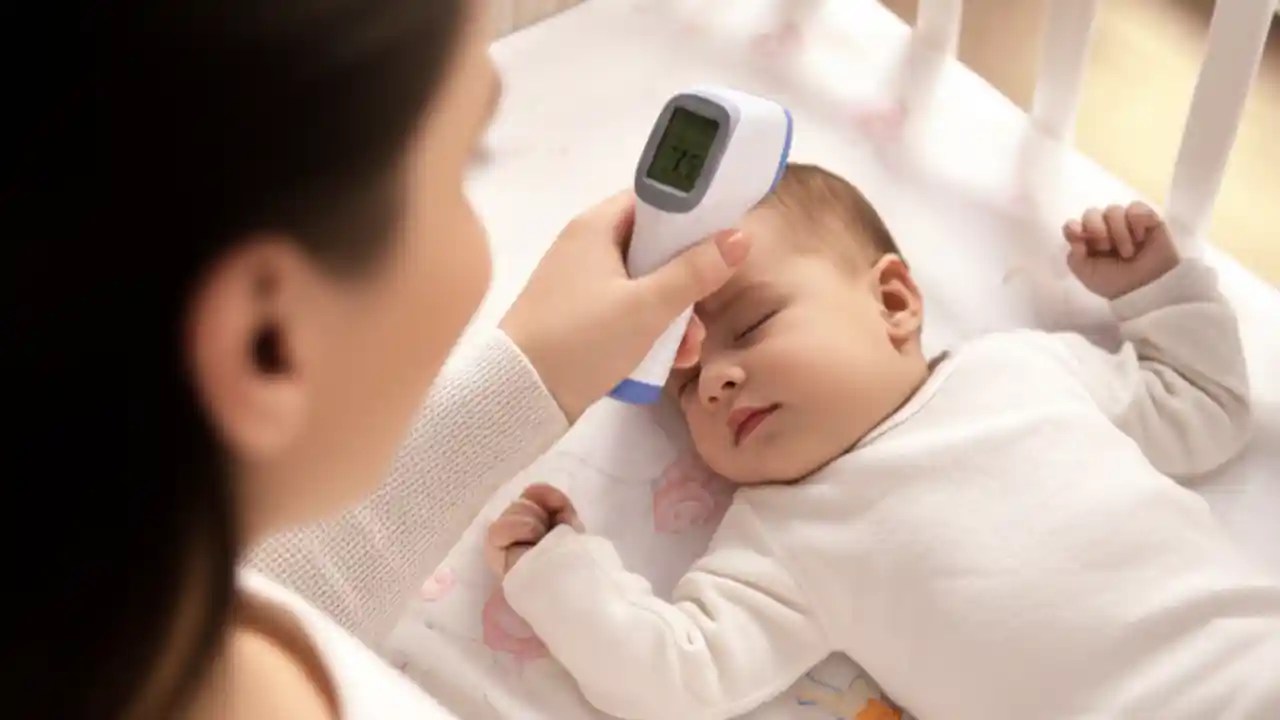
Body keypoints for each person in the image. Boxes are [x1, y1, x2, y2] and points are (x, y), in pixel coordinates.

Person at [6, 1, 750, 718]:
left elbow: (286, 587)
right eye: (466, 165)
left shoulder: (126, 615)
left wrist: (532, 376)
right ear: (270, 342)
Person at [485, 164, 1280, 719]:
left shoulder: (1023, 369)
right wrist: (562, 579)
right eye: (685, 384)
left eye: (752, 325)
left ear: (894, 300)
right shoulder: (783, 536)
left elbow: (1204, 407)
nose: (717, 380)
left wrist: (1158, 291)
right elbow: (679, 677)